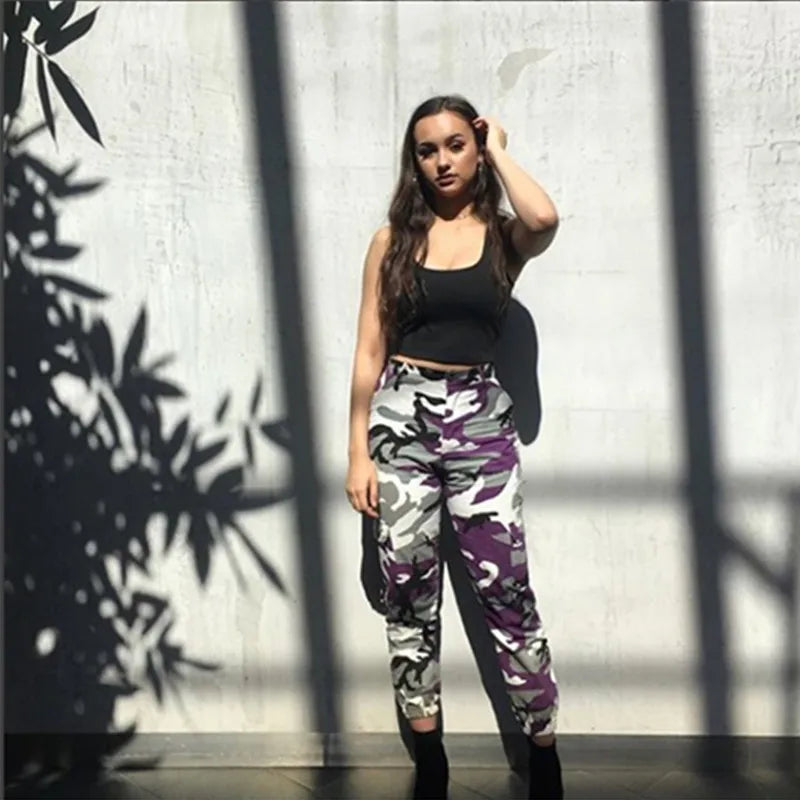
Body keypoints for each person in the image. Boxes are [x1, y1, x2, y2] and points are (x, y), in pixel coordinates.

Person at [346, 94, 563, 800]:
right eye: (427, 150)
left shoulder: (503, 237)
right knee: (408, 591)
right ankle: (430, 753)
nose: (441, 161)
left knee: (506, 589)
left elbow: (544, 218)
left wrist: (499, 147)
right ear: (414, 162)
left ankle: (544, 749)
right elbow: (369, 350)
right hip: (400, 418)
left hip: (479, 419)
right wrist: (357, 452)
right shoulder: (391, 241)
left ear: (474, 148)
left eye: (455, 145)